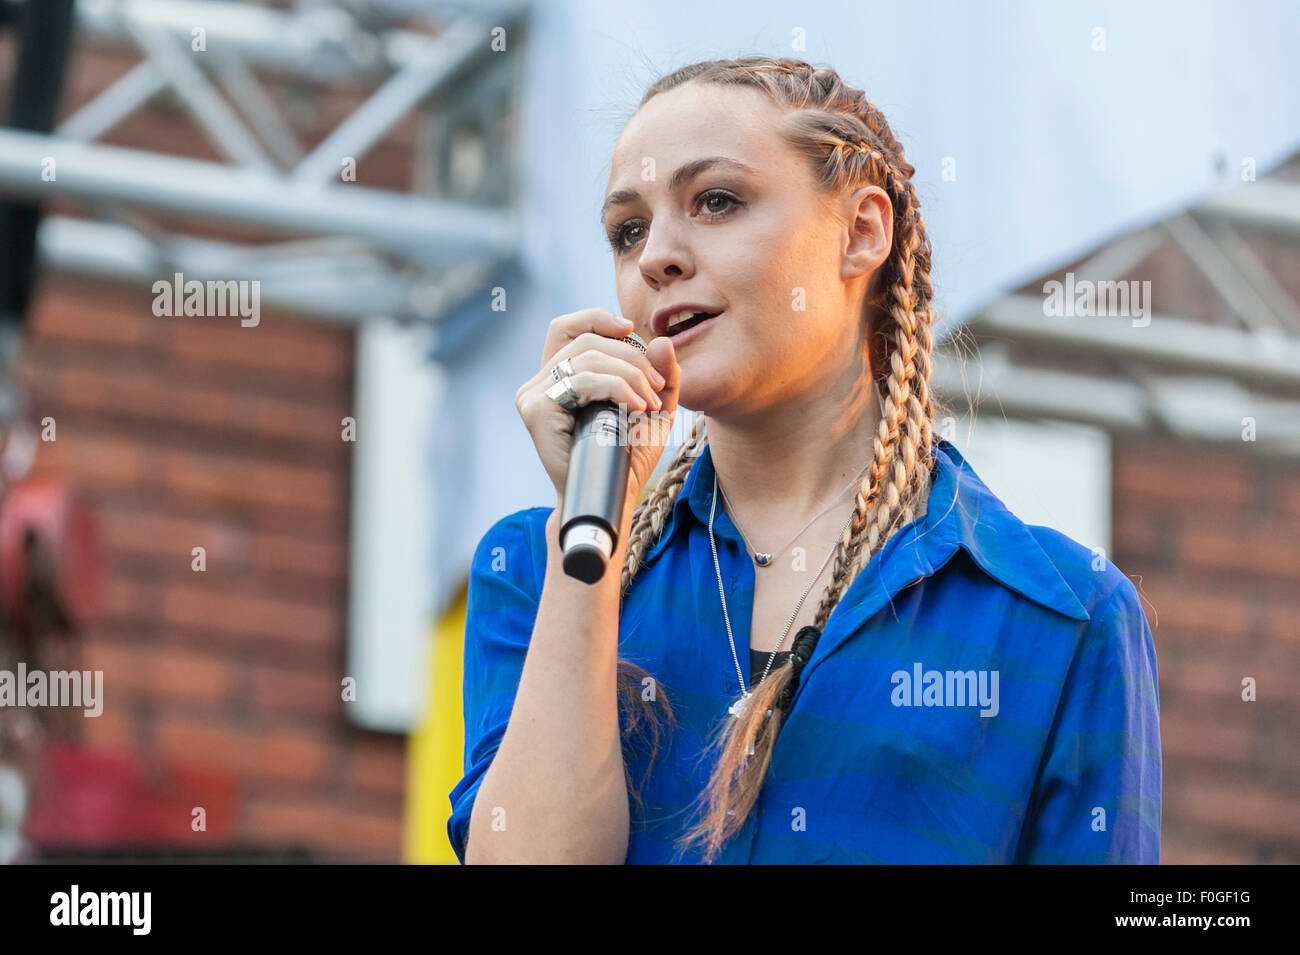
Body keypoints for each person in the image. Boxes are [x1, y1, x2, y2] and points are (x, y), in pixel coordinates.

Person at [447, 56, 1161, 864]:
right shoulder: (536, 571)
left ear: (861, 232)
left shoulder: (1059, 616)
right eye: (628, 230)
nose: (655, 258)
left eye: (716, 201)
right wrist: (593, 549)